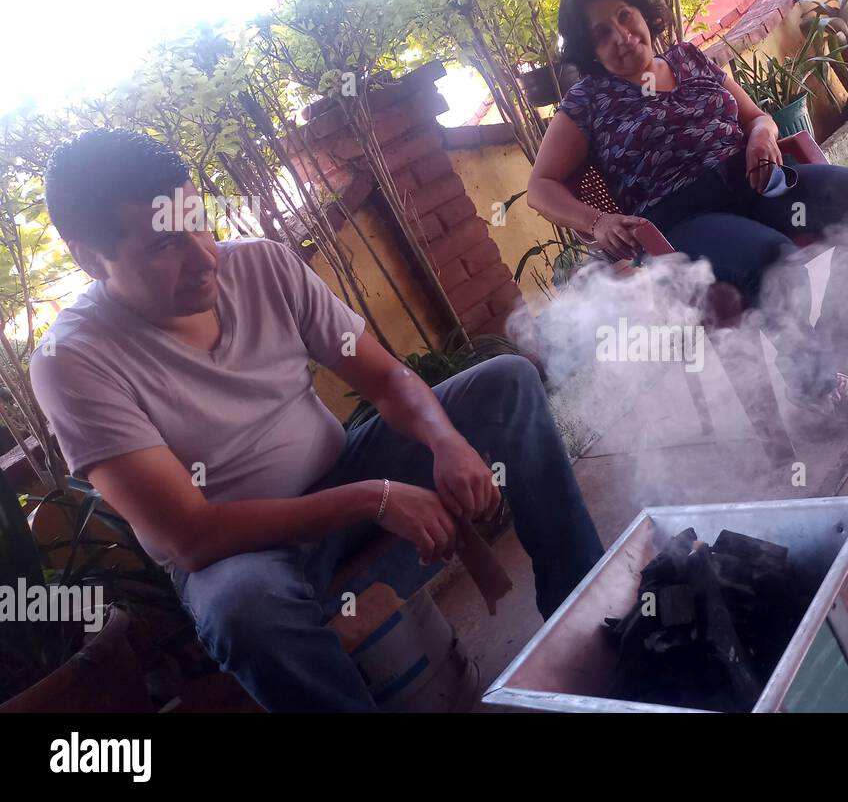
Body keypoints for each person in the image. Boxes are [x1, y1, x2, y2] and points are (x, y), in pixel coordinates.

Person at [30, 129, 605, 711]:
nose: (205, 257)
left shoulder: (259, 266)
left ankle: (588, 616)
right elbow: (191, 537)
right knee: (243, 609)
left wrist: (445, 439)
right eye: (162, 247)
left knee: (505, 382)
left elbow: (387, 380)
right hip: (246, 552)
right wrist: (373, 499)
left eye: (200, 222)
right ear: (89, 258)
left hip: (346, 470)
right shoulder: (74, 362)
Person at [527, 0, 848, 424]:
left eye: (624, 16)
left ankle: (847, 343)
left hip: (753, 182)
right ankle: (813, 386)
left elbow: (756, 117)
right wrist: (595, 222)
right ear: (589, 49)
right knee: (771, 259)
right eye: (601, 34)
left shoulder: (689, 58)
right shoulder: (587, 102)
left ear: (643, 14)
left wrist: (763, 137)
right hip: (682, 220)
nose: (621, 36)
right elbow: (542, 185)